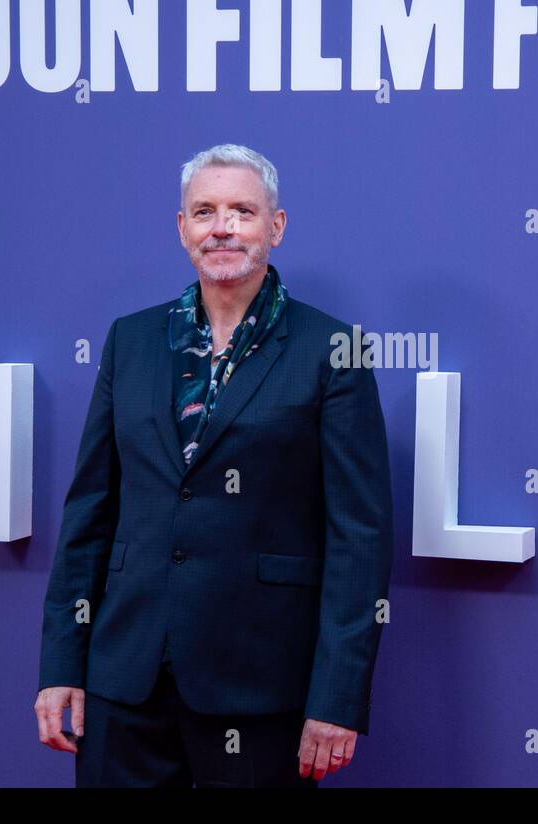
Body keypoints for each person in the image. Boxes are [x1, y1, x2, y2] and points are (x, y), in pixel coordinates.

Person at [34, 144, 394, 787]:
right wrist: (63, 662)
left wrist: (336, 700)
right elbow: (90, 510)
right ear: (182, 229)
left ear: (275, 227)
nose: (221, 227)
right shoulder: (130, 340)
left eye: (241, 211)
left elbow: (358, 538)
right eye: (204, 211)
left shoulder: (335, 349)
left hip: (260, 687)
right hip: (125, 680)